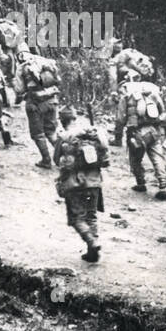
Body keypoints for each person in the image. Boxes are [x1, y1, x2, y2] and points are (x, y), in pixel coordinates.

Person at [53, 105, 109, 263]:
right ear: (75, 118)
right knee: (91, 217)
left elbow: (56, 160)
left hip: (74, 184)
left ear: (62, 121)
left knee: (77, 218)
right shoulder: (92, 134)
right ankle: (93, 252)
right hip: (95, 183)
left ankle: (92, 242)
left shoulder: (64, 137)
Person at [117, 78, 166, 199]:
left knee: (135, 159)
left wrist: (120, 132)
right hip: (153, 131)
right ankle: (163, 185)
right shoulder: (152, 95)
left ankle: (141, 183)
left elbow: (120, 119)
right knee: (157, 158)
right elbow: (162, 110)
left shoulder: (126, 98)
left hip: (136, 133)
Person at [19, 51, 61, 168]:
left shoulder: (23, 67)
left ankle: (46, 159)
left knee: (38, 134)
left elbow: (19, 89)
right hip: (51, 99)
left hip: (34, 103)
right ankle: (63, 157)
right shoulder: (45, 62)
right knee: (51, 132)